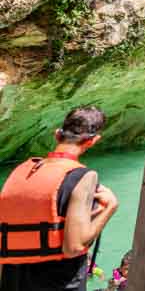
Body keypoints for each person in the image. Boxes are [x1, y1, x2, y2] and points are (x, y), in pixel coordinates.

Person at [0, 105, 119, 291]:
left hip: (13, 280)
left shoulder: (22, 171)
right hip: (58, 282)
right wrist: (110, 207)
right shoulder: (84, 177)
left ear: (57, 135)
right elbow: (74, 247)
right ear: (93, 141)